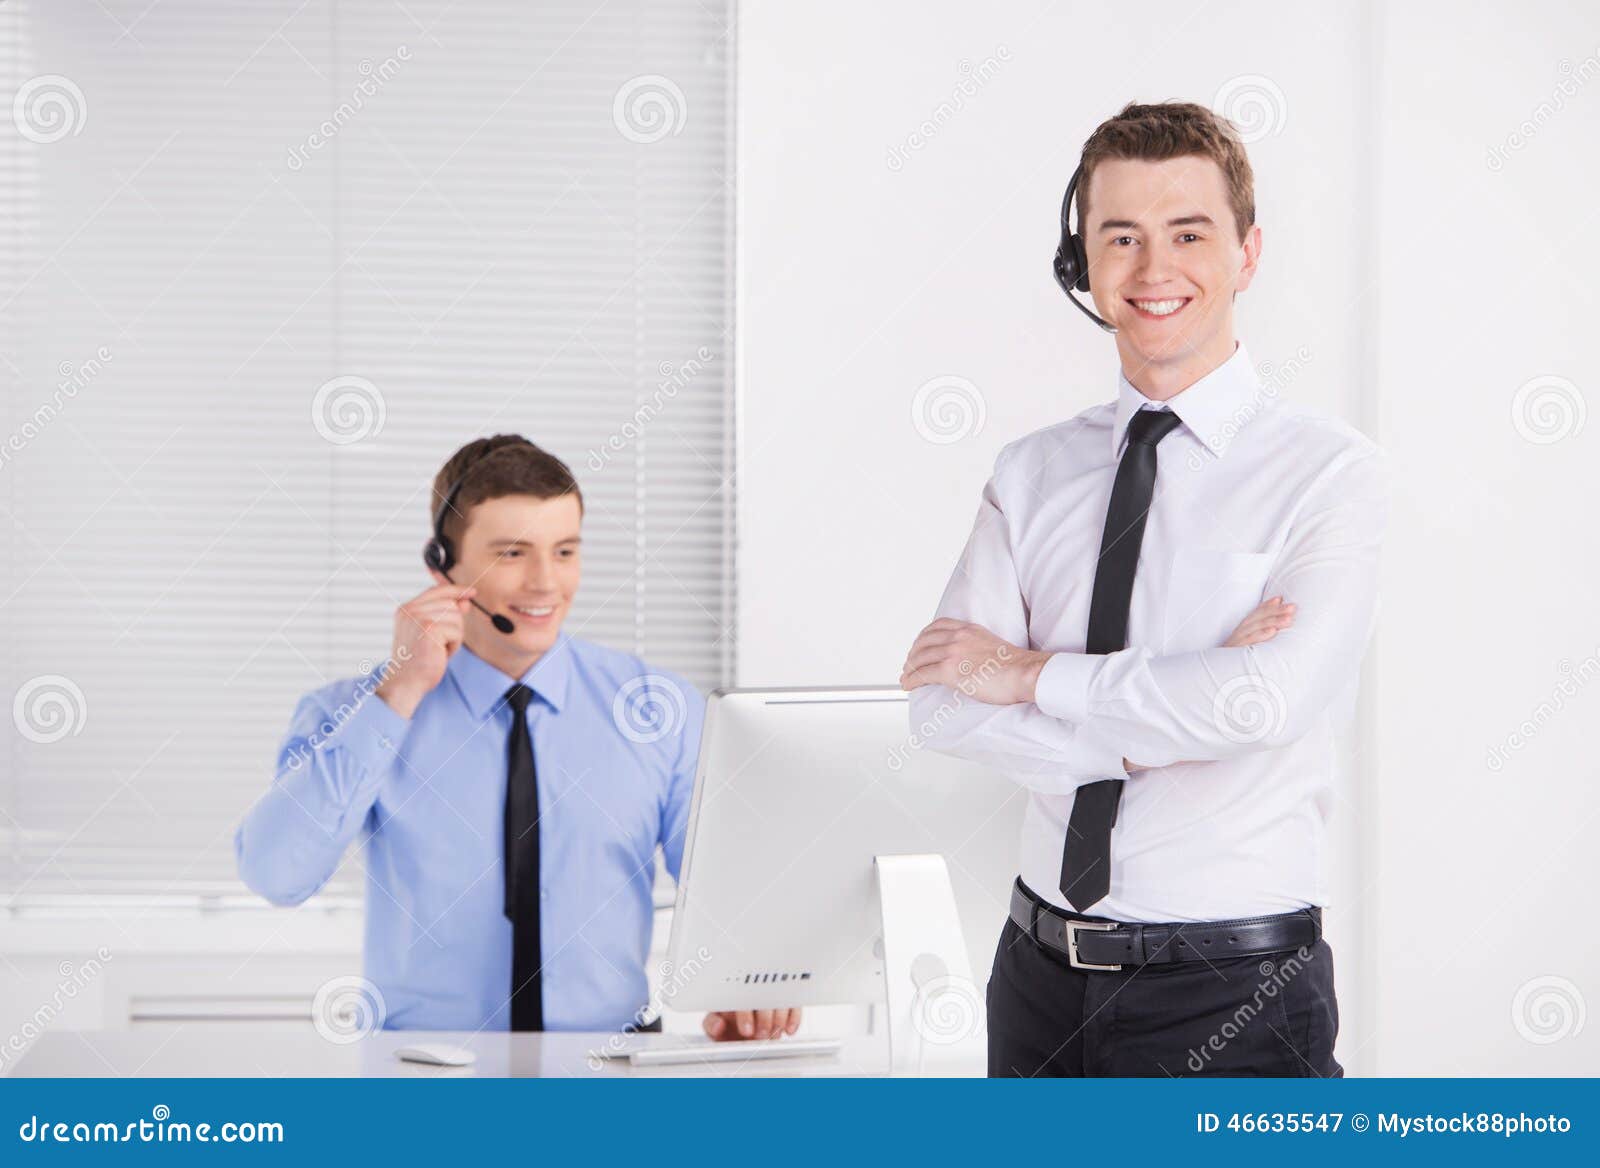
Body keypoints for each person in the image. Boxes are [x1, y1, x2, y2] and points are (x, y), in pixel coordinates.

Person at [899, 101, 1387, 1077]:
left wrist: (1029, 673)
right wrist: (1171, 722)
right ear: (1080, 262)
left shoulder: (1328, 473)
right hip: (1035, 979)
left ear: (1247, 253)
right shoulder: (1029, 473)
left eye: (1187, 234)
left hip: (1231, 993)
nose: (1152, 269)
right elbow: (943, 706)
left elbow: (1265, 698)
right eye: (1119, 237)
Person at [236, 434, 799, 1043]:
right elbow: (276, 873)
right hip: (426, 1077)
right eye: (511, 553)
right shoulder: (356, 711)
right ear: (442, 563)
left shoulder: (655, 709)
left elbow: (729, 887)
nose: (544, 584)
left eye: (564, 551)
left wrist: (746, 985)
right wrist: (397, 695)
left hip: (608, 1075)